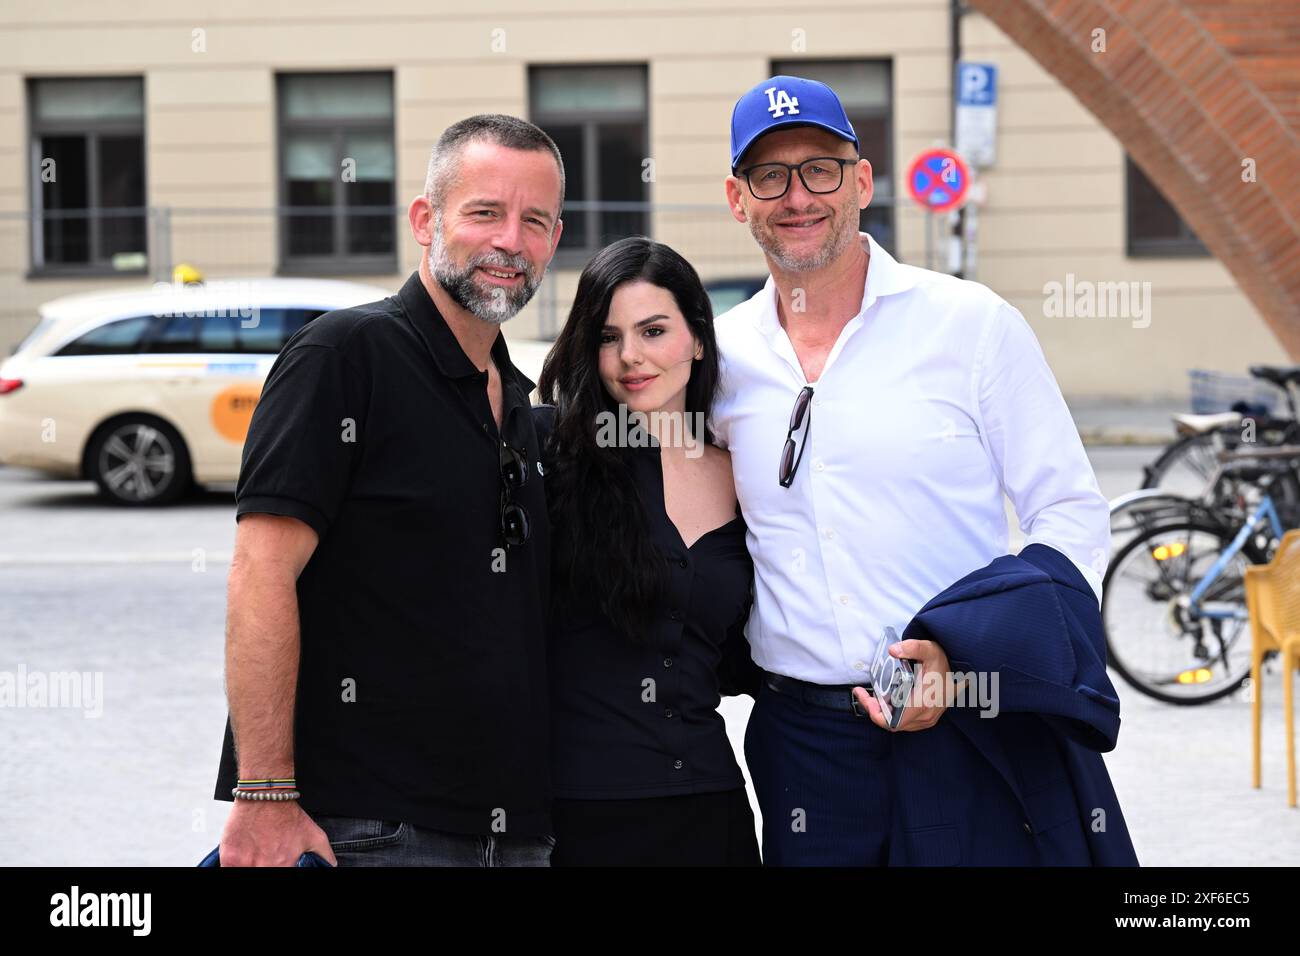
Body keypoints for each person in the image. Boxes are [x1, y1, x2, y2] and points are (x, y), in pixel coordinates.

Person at [711, 75, 1132, 865]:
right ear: (738, 199)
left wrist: (967, 654)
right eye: (769, 175)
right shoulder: (720, 356)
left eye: (820, 169)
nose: (796, 195)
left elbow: (1071, 512)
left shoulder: (970, 324)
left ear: (862, 182)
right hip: (803, 746)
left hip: (964, 722)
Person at [213, 114, 565, 867]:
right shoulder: (344, 356)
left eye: (533, 220)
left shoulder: (516, 402)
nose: (510, 240)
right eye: (484, 212)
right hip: (372, 831)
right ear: (424, 220)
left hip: (515, 833)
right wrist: (266, 794)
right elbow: (260, 575)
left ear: (555, 239)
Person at [535, 236, 763, 866]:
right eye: (608, 337)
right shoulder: (549, 454)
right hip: (580, 815)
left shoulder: (744, 475)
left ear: (697, 336)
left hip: (710, 807)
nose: (629, 358)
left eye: (653, 331)